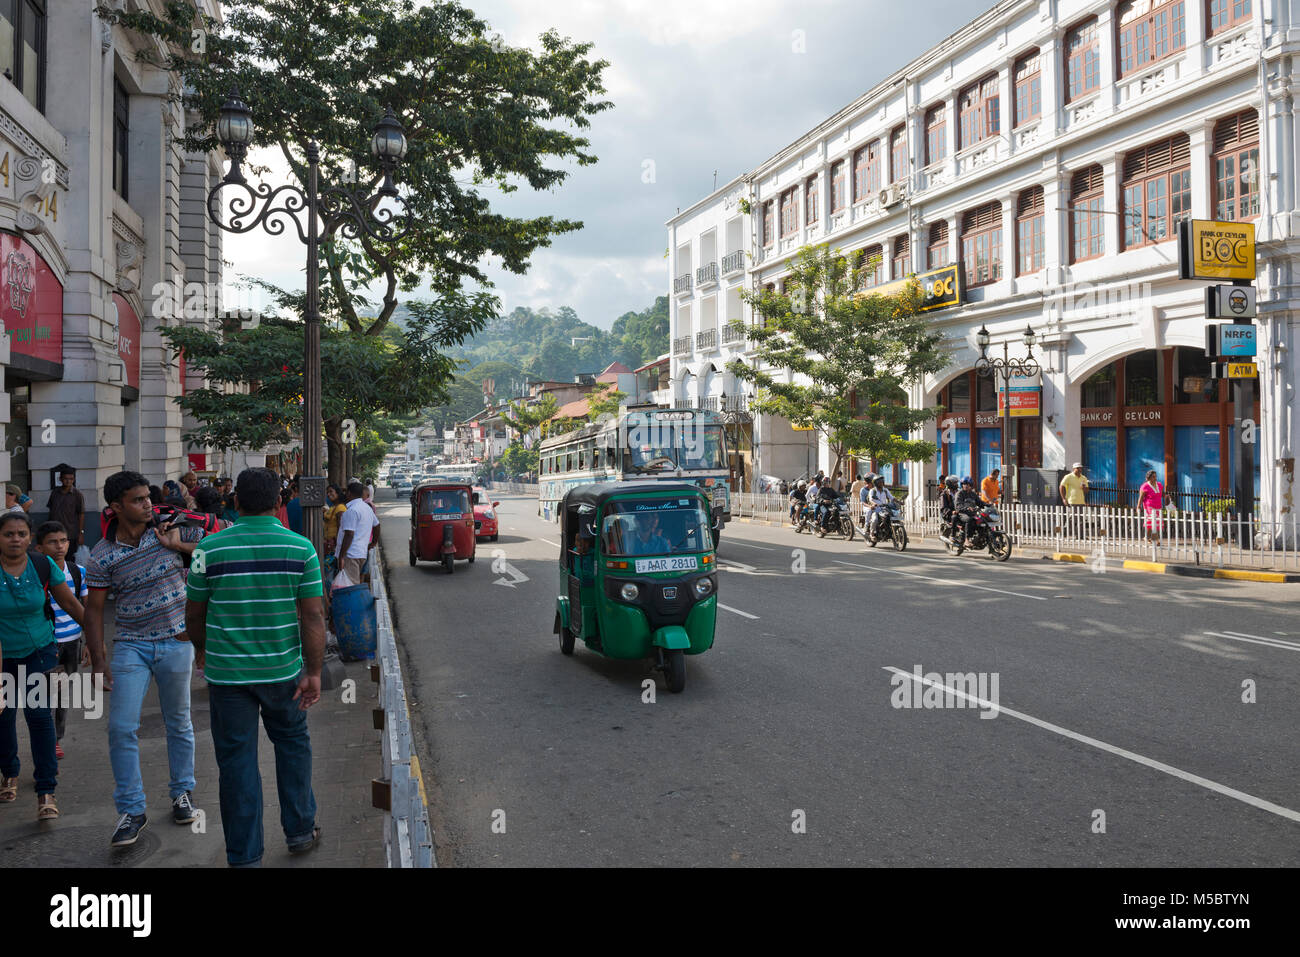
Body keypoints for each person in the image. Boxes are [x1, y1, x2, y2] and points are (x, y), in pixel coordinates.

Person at [185, 467, 325, 866]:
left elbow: (193, 614)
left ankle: (245, 856)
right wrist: (313, 672)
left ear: (235, 502)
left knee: (236, 763)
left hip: (228, 677)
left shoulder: (207, 550)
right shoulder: (301, 549)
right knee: (293, 747)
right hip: (284, 673)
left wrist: (202, 648)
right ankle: (300, 830)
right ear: (279, 503)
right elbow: (313, 617)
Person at [83, 470, 209, 847]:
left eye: (147, 498)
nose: (147, 504)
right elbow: (93, 610)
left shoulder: (174, 529)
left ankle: (182, 793)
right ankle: (132, 810)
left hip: (177, 641)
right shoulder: (103, 555)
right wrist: (100, 660)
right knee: (121, 728)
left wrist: (179, 547)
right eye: (138, 500)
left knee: (179, 722)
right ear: (116, 507)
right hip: (131, 646)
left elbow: (210, 560)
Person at [0, 511, 84, 820]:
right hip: (1, 656)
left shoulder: (41, 565)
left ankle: (46, 790)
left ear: (30, 538)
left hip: (41, 652)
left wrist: (97, 642)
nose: (15, 539)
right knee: (4, 716)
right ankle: (8, 772)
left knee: (39, 717)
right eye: (8, 534)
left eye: (21, 533)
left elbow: (71, 604)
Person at [34, 521, 89, 758]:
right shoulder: (36, 573)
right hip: (48, 643)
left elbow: (84, 608)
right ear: (39, 547)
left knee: (63, 692)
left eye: (63, 541)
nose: (59, 546)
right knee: (44, 692)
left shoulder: (77, 572)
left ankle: (56, 737)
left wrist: (89, 642)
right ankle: (46, 737)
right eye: (52, 542)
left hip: (73, 641)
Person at [335, 482, 380, 585]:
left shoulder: (352, 511)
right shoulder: (367, 508)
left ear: (349, 493)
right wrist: (373, 542)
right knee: (352, 582)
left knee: (349, 585)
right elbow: (377, 525)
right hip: (361, 553)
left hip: (350, 555)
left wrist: (342, 556)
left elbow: (349, 534)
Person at [46, 466, 86, 554]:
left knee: (70, 558)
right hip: (54, 532)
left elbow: (81, 514)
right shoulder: (55, 493)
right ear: (60, 479)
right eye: (66, 478)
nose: (68, 481)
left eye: (71, 479)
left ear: (74, 479)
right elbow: (51, 511)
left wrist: (81, 533)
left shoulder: (77, 495)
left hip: (70, 533)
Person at [1060, 462, 1089, 537]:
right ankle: (1064, 533)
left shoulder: (1084, 478)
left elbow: (1086, 491)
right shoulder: (1068, 477)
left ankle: (1080, 536)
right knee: (1071, 519)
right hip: (1071, 501)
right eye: (1078, 468)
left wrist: (1084, 488)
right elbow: (1061, 486)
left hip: (1081, 501)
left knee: (1081, 520)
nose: (1079, 470)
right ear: (1074, 469)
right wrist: (1063, 499)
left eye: (1080, 468)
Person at [866, 476, 897, 540]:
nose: (881, 483)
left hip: (884, 508)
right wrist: (874, 504)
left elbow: (892, 497)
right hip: (876, 509)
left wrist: (898, 501)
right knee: (875, 519)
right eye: (879, 482)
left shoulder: (885, 490)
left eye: (882, 482)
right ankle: (871, 534)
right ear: (876, 483)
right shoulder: (872, 491)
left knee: (893, 517)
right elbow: (871, 499)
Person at [1139, 469, 1166, 542]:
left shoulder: (1159, 485)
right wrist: (1138, 507)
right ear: (1149, 478)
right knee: (1152, 523)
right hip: (1149, 507)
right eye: (1153, 477)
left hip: (1158, 506)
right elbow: (1141, 497)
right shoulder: (1145, 486)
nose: (1155, 478)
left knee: (1154, 524)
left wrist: (1166, 496)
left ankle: (1147, 537)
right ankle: (1156, 540)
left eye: (1155, 476)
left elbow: (1162, 494)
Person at [953, 477, 981, 545]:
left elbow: (979, 502)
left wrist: (988, 505)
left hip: (972, 513)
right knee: (969, 519)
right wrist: (967, 508)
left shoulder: (973, 494)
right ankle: (967, 540)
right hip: (962, 513)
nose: (966, 485)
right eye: (964, 484)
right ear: (962, 485)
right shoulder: (959, 493)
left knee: (981, 520)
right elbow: (958, 506)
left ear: (971, 485)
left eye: (968, 484)